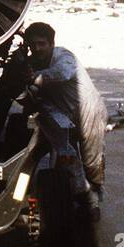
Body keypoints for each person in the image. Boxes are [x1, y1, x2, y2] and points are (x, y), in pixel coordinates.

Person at [17, 21, 106, 218]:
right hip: (62, 112)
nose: (37, 49)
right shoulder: (33, 61)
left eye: (42, 44)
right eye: (33, 45)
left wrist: (36, 78)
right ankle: (83, 197)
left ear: (51, 43)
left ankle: (94, 199)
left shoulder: (64, 56)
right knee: (66, 157)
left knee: (92, 163)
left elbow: (62, 73)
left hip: (88, 111)